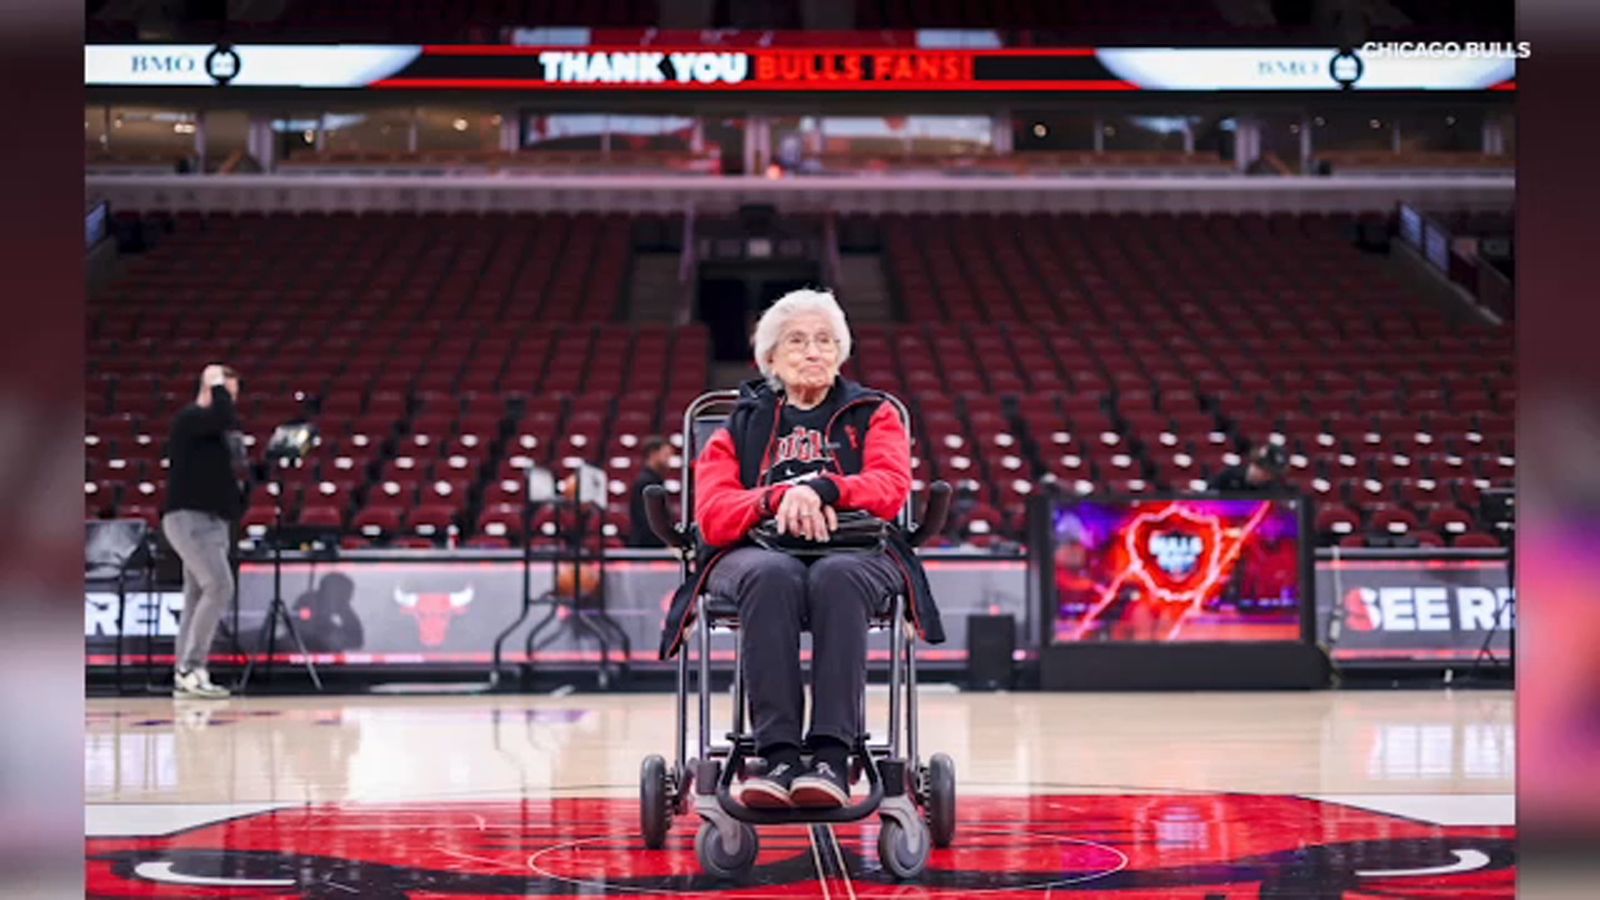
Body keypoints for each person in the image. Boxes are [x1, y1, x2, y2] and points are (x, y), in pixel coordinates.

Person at [656, 288, 943, 810]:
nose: (814, 351)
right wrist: (777, 498)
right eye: (797, 341)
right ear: (769, 359)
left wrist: (826, 489)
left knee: (836, 577)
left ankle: (832, 755)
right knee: (772, 575)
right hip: (756, 553)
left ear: (841, 352)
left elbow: (889, 487)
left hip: (857, 549)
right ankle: (779, 754)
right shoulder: (736, 426)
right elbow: (714, 515)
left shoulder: (874, 414)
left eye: (825, 340)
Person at [162, 363, 252, 699]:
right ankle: (191, 667)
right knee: (219, 585)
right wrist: (216, 385)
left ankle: (184, 673)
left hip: (213, 521)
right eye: (226, 394)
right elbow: (223, 417)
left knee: (197, 595)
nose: (231, 403)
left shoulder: (212, 429)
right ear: (210, 389)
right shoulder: (191, 419)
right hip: (190, 518)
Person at [626, 436, 673, 548]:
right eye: (666, 455)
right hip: (647, 546)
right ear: (653, 454)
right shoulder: (646, 482)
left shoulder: (655, 480)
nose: (669, 460)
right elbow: (647, 520)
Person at [1212, 442, 1289, 493]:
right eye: (1265, 471)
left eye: (1271, 474)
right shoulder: (1228, 475)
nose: (1267, 477)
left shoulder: (1274, 490)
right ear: (1255, 462)